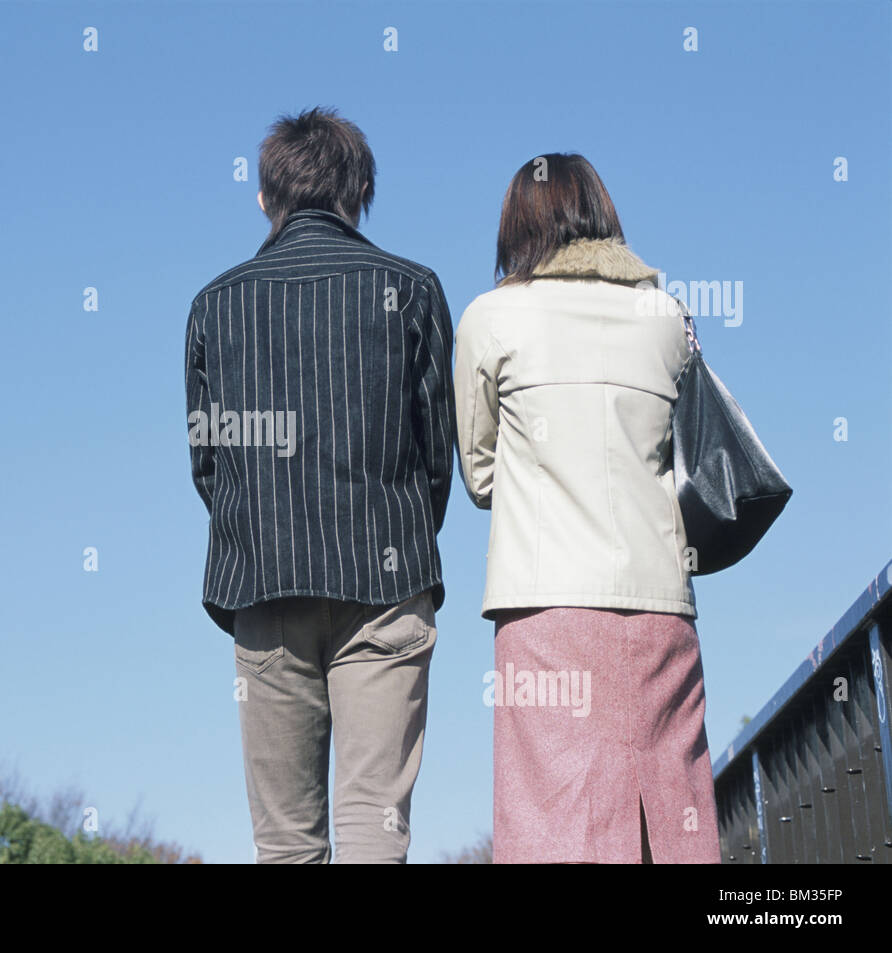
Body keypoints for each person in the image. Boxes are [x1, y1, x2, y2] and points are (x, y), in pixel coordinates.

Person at [184, 107, 456, 863]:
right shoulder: (414, 288)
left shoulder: (214, 305)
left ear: (264, 197)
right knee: (376, 816)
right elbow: (439, 452)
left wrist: (260, 525)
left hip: (263, 584)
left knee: (285, 843)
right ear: (360, 189)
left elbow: (208, 463)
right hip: (386, 577)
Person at [453, 153, 720, 864]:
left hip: (546, 607)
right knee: (671, 813)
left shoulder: (490, 316)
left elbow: (481, 476)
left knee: (553, 821)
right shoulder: (666, 314)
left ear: (518, 224)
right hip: (662, 602)